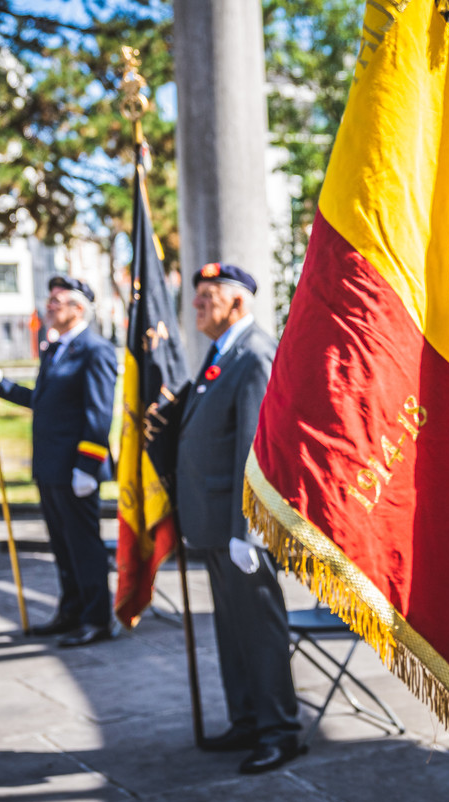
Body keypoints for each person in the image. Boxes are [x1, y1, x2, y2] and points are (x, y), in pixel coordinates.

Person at [177, 262, 302, 775]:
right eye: (199, 295)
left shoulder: (253, 355)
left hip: (239, 527)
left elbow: (259, 446)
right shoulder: (221, 352)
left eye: (209, 296)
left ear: (238, 302)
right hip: (213, 522)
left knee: (259, 629)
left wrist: (248, 527)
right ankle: (248, 718)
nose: (198, 304)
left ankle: (280, 730)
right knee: (231, 630)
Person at [0, 275, 118, 647]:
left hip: (75, 469)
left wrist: (87, 467)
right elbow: (43, 400)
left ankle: (97, 619)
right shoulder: (54, 349)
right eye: (49, 300)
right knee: (62, 545)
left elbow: (98, 414)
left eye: (57, 301)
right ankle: (70, 612)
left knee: (84, 546)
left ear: (78, 308)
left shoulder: (95, 349)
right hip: (51, 466)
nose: (49, 306)